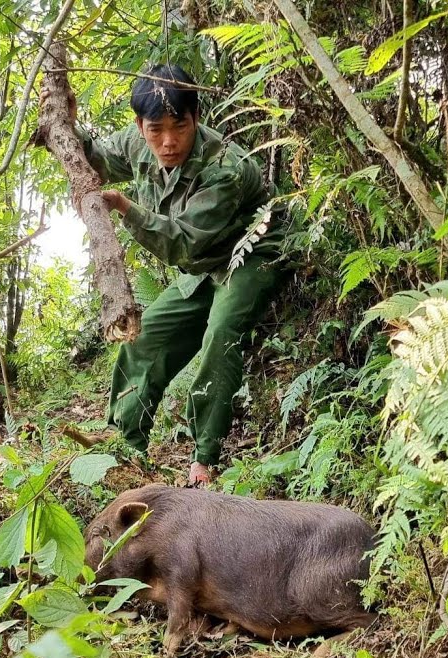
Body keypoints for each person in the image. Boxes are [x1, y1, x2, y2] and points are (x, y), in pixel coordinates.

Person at [40, 64, 286, 485]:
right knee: (143, 340)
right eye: (156, 130)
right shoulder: (137, 144)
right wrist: (66, 127)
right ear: (140, 126)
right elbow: (95, 158)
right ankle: (125, 448)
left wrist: (125, 208)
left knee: (220, 333)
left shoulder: (227, 166)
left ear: (196, 118)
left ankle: (204, 459)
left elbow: (185, 240)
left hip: (249, 255)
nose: (168, 142)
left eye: (180, 127)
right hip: (200, 269)